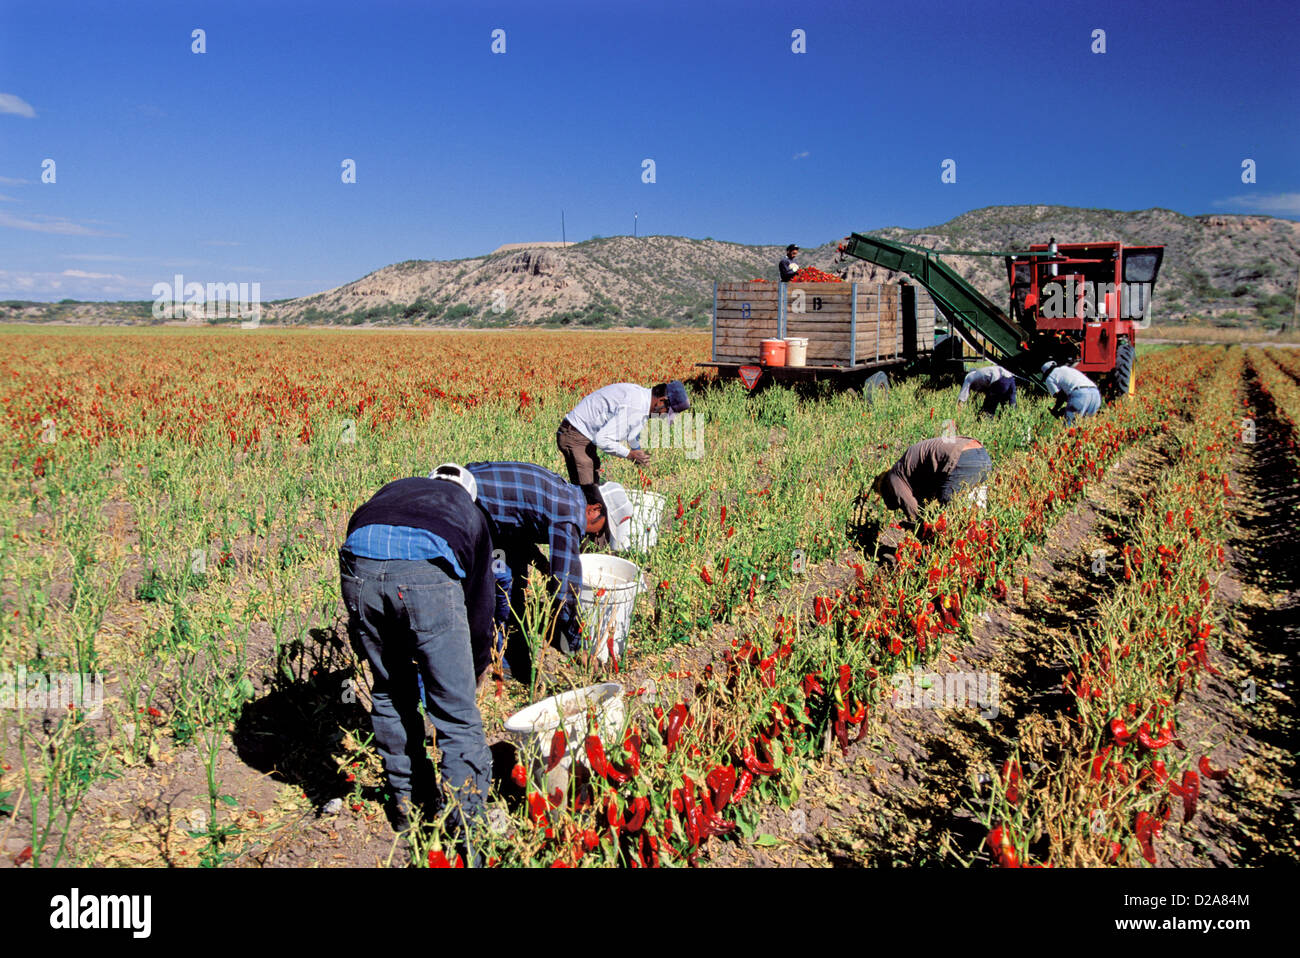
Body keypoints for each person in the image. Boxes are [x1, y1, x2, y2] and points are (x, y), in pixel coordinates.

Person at [338, 464, 494, 853]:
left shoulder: (395, 487)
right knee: (456, 714)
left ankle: (409, 808)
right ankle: (466, 834)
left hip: (359, 568)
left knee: (390, 691)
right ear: (468, 493)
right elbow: (479, 604)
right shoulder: (470, 513)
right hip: (426, 573)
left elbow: (363, 547)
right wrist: (474, 666)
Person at [463, 461, 631, 676]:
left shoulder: (566, 494)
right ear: (595, 509)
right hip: (469, 503)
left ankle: (507, 653)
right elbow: (564, 590)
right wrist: (577, 645)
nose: (595, 537)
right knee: (504, 583)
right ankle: (499, 660)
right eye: (600, 532)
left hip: (480, 496)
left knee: (516, 577)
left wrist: (541, 562)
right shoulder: (569, 516)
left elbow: (519, 518)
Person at [555, 380, 689, 504]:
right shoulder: (636, 406)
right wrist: (630, 454)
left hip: (583, 434)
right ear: (661, 401)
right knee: (589, 497)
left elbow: (632, 434)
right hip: (574, 434)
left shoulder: (643, 400)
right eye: (666, 412)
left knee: (591, 483)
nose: (663, 416)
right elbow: (602, 439)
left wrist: (638, 451)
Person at [871, 436, 993, 523]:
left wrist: (921, 529)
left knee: (948, 520)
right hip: (982, 455)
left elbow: (914, 511)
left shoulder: (894, 477)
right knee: (976, 518)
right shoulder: (907, 468)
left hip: (961, 459)